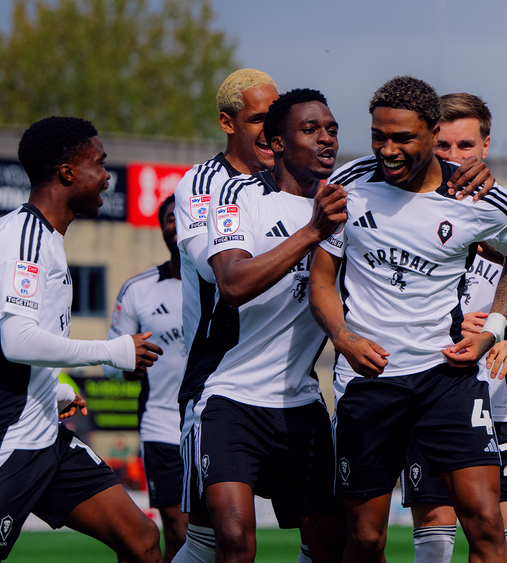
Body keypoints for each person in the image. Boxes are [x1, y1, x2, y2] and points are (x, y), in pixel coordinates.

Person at [308, 76, 507, 563]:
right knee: (365, 537)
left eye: (402, 138)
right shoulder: (348, 185)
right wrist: (343, 338)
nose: (387, 150)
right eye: (377, 136)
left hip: (446, 379)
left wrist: (493, 330)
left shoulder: (478, 196)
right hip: (369, 381)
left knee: (487, 525)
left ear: (433, 132)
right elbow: (322, 278)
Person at [0, 116, 164, 563]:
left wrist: (47, 386)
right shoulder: (23, 237)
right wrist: (114, 351)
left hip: (43, 434)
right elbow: (19, 342)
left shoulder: (39, 237)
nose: (107, 176)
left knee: (141, 541)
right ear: (67, 172)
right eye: (100, 163)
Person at [400, 92, 507, 563]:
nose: (454, 157)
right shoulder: (407, 214)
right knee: (435, 537)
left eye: (465, 145)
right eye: (443, 146)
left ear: (485, 146)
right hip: (428, 394)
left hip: (493, 401)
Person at [190, 88, 347, 563]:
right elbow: (233, 283)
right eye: (310, 130)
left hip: (300, 403)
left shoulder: (347, 203)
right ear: (276, 143)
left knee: (328, 546)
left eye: (331, 130)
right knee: (233, 541)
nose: (326, 139)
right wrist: (313, 232)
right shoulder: (238, 196)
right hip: (230, 400)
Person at [170, 68, 279, 563]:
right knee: (215, 541)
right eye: (257, 119)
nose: (269, 130)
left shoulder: (299, 181)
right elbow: (219, 274)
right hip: (219, 378)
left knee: (331, 533)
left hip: (291, 384)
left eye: (275, 118)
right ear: (227, 122)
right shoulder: (201, 186)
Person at [104, 194, 188, 563]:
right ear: (162, 228)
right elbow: (109, 363)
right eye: (170, 218)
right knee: (178, 530)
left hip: (219, 422)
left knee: (219, 533)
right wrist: (127, 364)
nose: (177, 223)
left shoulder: (227, 281)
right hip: (162, 424)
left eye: (184, 216)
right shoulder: (139, 289)